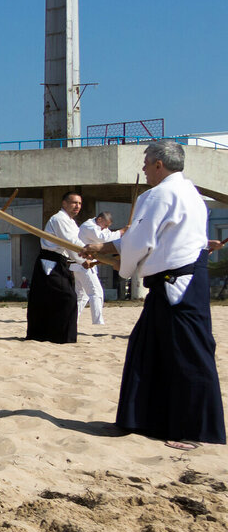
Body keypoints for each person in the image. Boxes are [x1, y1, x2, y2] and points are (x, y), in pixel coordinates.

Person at [84, 141, 224, 449]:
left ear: (159, 164)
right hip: (184, 281)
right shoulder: (192, 193)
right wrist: (109, 249)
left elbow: (141, 240)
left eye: (147, 163)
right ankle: (145, 419)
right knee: (148, 347)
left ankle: (193, 429)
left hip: (175, 285)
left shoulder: (159, 194)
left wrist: (118, 259)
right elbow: (166, 236)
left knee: (187, 353)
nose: (144, 168)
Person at [26, 191, 85, 343]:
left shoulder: (71, 222)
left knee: (54, 298)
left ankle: (54, 335)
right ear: (64, 204)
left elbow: (75, 242)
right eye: (74, 203)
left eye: (79, 203)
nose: (77, 206)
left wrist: (86, 255)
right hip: (49, 262)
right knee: (67, 297)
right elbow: (71, 242)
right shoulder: (59, 219)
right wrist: (84, 256)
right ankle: (57, 335)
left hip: (60, 261)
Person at [75, 211, 123, 325]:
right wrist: (122, 232)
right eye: (105, 225)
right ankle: (98, 323)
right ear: (100, 220)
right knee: (96, 292)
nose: (106, 228)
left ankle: (71, 318)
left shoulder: (100, 228)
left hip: (86, 264)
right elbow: (103, 239)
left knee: (82, 296)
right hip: (82, 263)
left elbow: (109, 237)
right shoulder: (88, 226)